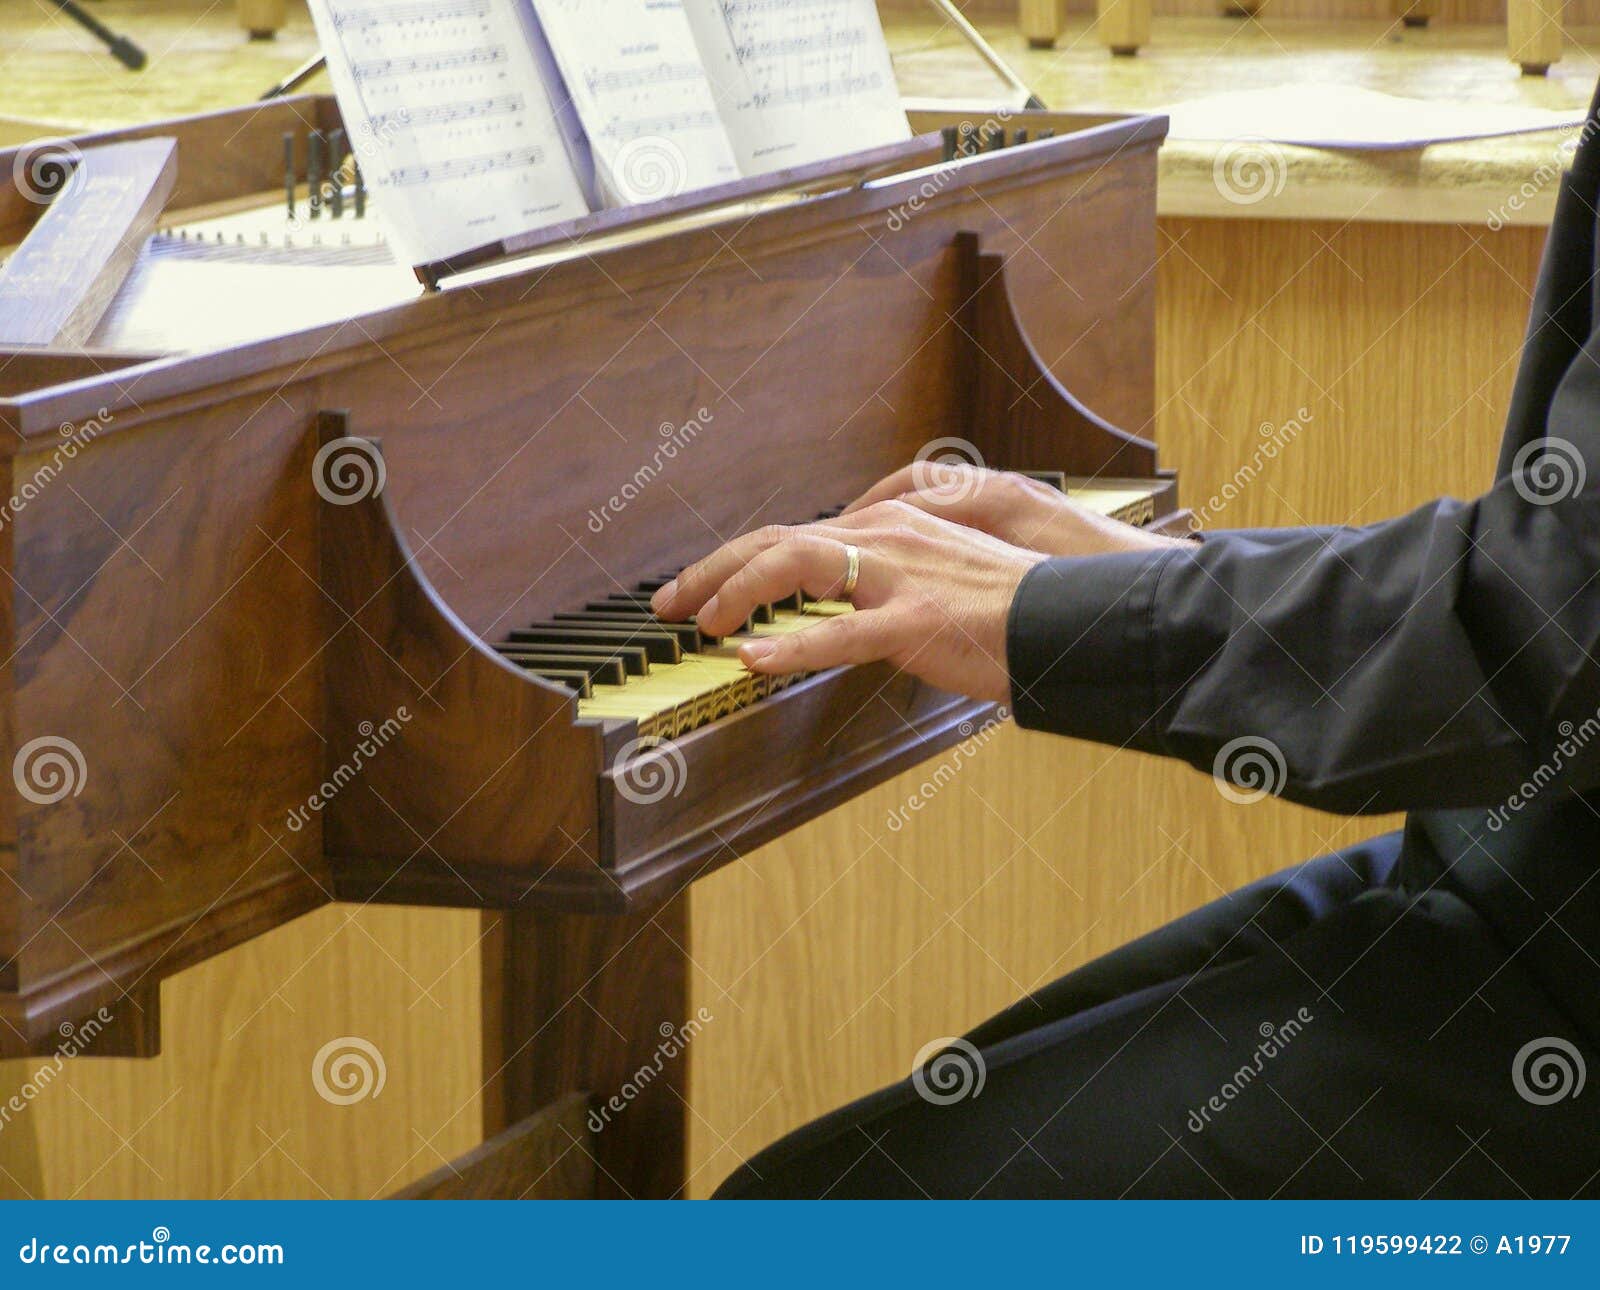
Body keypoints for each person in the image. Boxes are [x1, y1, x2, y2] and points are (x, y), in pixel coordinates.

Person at [648, 90, 1600, 1200]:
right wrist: (1141, 581)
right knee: (814, 1183)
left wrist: (1057, 617)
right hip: (1518, 867)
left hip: (1556, 959)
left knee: (809, 1221)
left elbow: (1551, 627)